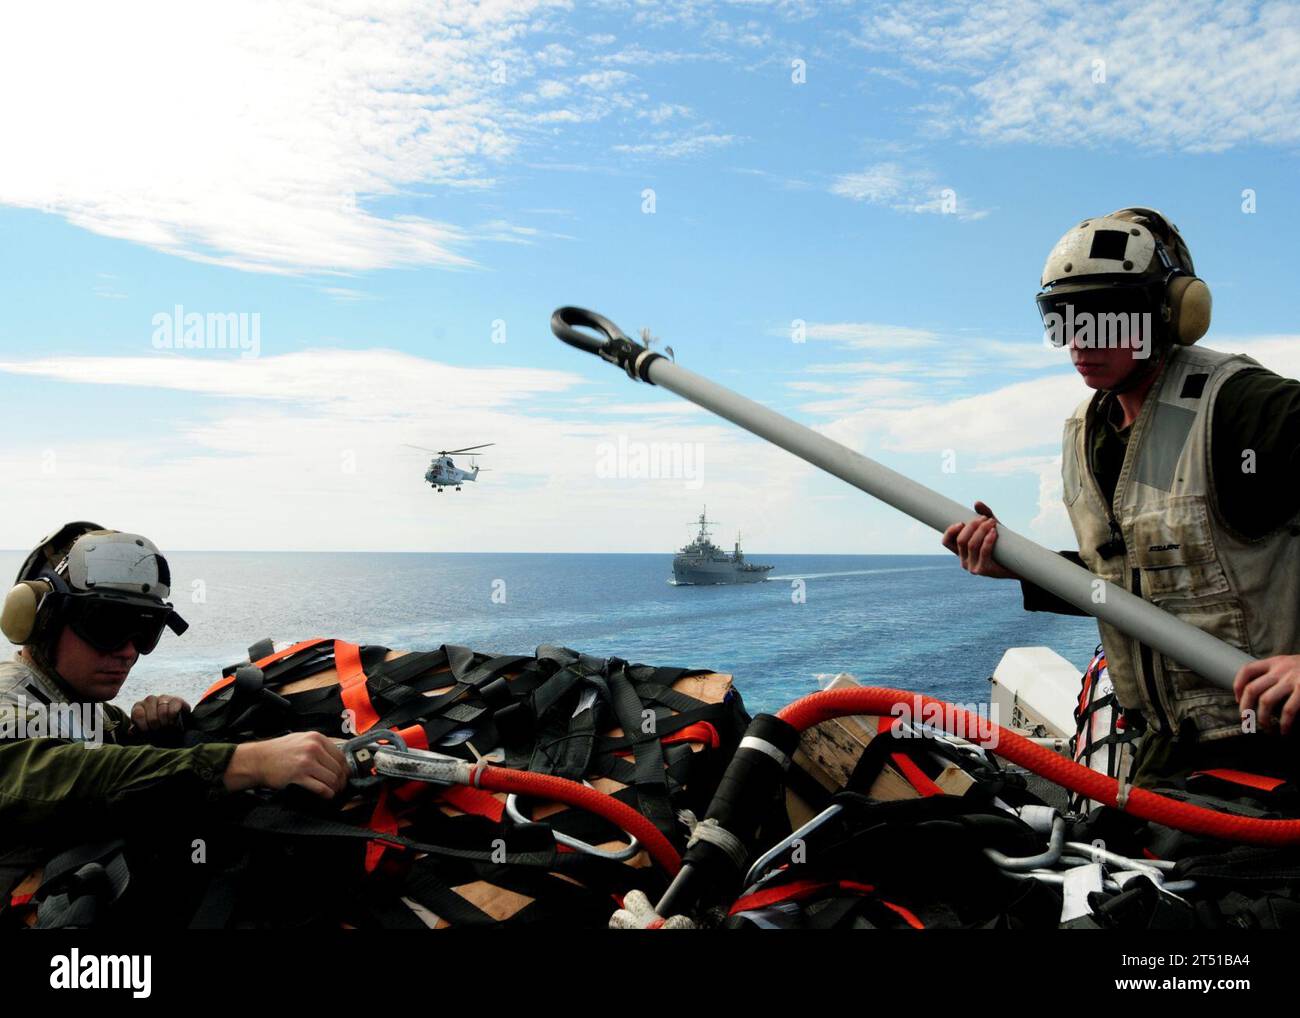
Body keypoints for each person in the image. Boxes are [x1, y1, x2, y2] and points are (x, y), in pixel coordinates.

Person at [942, 208, 1300, 787]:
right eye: (1063, 319)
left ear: (1172, 313)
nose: (1080, 341)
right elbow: (1128, 584)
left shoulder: (1246, 409)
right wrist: (1017, 565)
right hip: (1167, 751)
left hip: (1276, 751)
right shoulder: (1089, 434)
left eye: (1107, 317)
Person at [0, 522, 348, 915]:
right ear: (42, 620)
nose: (128, 652)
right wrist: (246, 763)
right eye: (108, 627)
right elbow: (57, 771)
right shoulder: (7, 700)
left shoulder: (75, 707)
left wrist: (153, 727)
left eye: (144, 631)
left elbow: (111, 753)